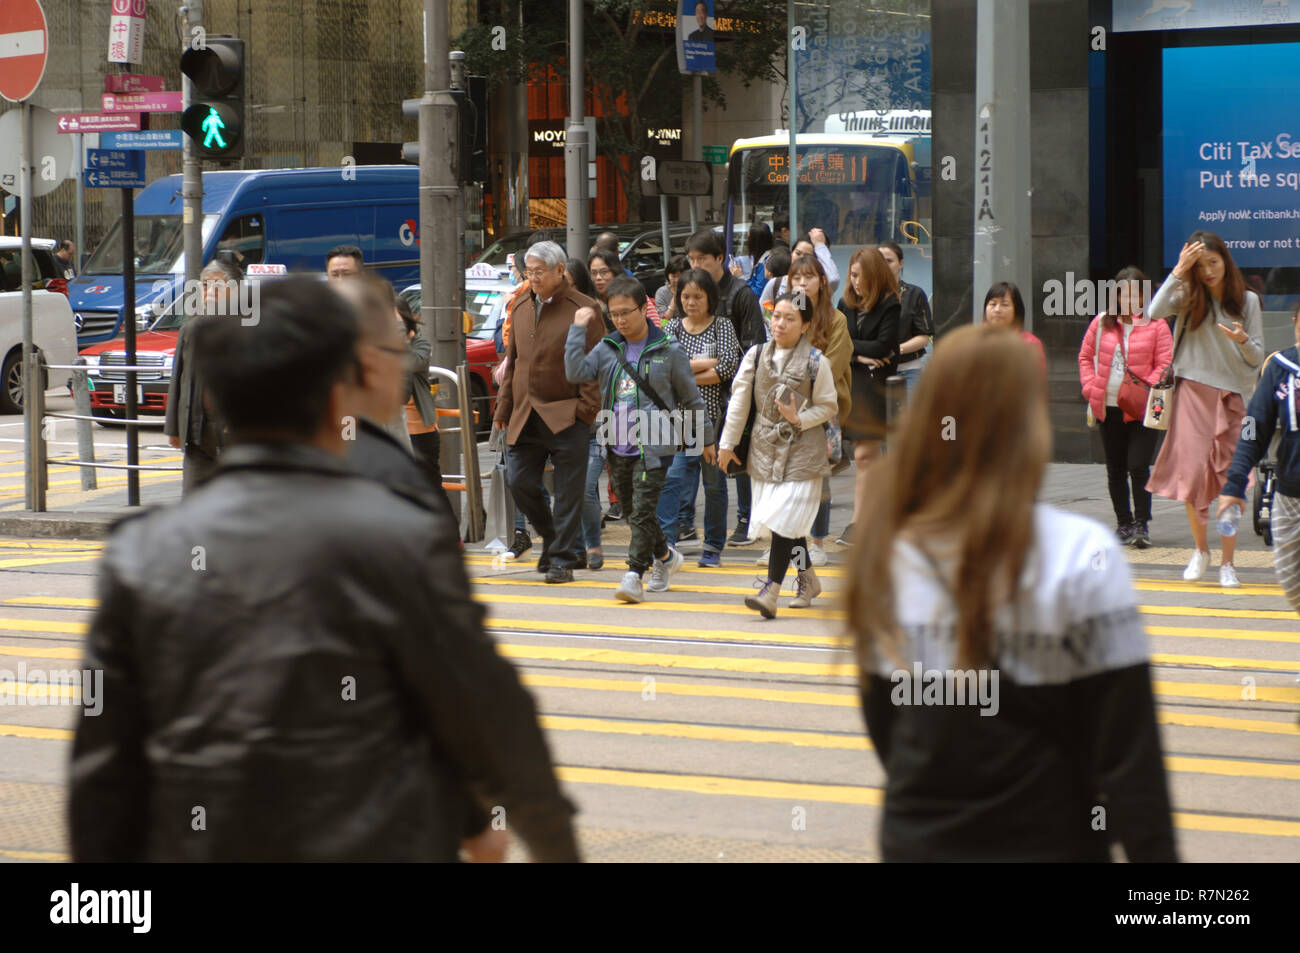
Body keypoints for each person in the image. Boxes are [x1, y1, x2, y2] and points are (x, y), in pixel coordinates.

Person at [70, 276, 580, 863]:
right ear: (341, 388)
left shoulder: (140, 556)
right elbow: (489, 722)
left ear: (214, 397)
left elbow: (102, 783)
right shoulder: (399, 536)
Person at [845, 324, 1177, 862]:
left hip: (917, 841)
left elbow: (888, 725)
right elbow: (1129, 764)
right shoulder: (1081, 555)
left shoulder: (886, 553)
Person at [565, 276, 713, 602]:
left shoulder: (668, 350)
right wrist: (576, 331)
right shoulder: (607, 348)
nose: (620, 320)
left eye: (626, 312)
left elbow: (691, 398)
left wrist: (706, 438)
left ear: (644, 309)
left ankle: (633, 574)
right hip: (615, 440)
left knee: (644, 511)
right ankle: (665, 557)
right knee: (633, 514)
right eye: (614, 314)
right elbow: (575, 373)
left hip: (656, 443)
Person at [1147, 232, 1264, 588]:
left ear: (1226, 261)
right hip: (1191, 394)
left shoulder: (1247, 301)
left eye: (1213, 262)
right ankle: (1201, 551)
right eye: (1200, 266)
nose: (1208, 271)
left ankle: (1228, 562)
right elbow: (1153, 312)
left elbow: (1258, 357)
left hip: (1234, 399)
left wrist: (1243, 340)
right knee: (1193, 476)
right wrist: (1179, 271)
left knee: (1233, 478)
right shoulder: (1186, 296)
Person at [719, 293, 837, 617]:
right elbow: (740, 404)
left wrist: (801, 418)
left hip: (804, 452)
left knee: (785, 522)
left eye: (790, 318)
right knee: (787, 526)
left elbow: (829, 405)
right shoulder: (755, 356)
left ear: (805, 326)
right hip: (764, 450)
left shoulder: (816, 361)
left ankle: (770, 589)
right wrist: (727, 445)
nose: (780, 324)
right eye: (777, 316)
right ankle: (808, 578)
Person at [494, 241, 604, 584]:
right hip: (525, 412)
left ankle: (560, 561)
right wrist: (503, 408)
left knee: (569, 492)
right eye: (529, 272)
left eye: (539, 272)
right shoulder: (522, 305)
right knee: (519, 480)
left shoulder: (584, 308)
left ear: (560, 271)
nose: (533, 278)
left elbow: (596, 364)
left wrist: (586, 410)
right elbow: (514, 363)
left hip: (567, 413)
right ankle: (556, 542)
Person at [1077, 267, 1172, 549]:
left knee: (1138, 465)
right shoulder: (1101, 323)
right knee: (1116, 469)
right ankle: (1124, 523)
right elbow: (1084, 357)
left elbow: (1165, 363)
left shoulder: (1157, 325)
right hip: (1108, 406)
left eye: (1135, 293)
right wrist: (1090, 387)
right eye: (1123, 293)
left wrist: (1144, 387)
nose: (1129, 299)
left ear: (1144, 296)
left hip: (1143, 408)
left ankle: (1142, 523)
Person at [685, 228, 767, 545]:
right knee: (700, 459)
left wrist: (723, 372)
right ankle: (687, 523)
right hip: (702, 392)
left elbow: (752, 349)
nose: (695, 264)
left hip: (738, 388)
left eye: (701, 258)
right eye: (691, 259)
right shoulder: (691, 293)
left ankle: (746, 519)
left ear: (720, 258)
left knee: (738, 453)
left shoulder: (740, 294)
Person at [1219, 302, 1300, 615]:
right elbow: (1253, 428)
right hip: (1290, 496)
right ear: (1295, 322)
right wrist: (1235, 484)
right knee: (1293, 588)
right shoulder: (1279, 366)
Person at [656, 268, 740, 568]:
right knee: (671, 480)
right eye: (685, 296)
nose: (690, 302)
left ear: (710, 298)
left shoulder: (722, 326)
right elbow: (665, 367)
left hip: (714, 420)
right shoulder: (673, 328)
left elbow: (730, 366)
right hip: (679, 422)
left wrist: (686, 371)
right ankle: (666, 546)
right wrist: (706, 366)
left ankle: (713, 547)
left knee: (714, 486)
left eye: (697, 296)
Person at [782, 254, 852, 567]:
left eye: (808, 277)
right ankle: (786, 545)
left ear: (822, 282)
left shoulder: (836, 320)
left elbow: (831, 367)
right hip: (787, 409)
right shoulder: (785, 316)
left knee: (817, 479)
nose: (802, 283)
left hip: (819, 410)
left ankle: (818, 540)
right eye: (796, 278)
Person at [837, 246, 900, 546]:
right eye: (852, 275)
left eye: (860, 276)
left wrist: (855, 350)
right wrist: (858, 357)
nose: (855, 282)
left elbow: (885, 346)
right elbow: (835, 343)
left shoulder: (890, 304)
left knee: (864, 456)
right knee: (870, 459)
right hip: (851, 383)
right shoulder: (844, 303)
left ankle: (858, 522)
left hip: (876, 389)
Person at [164, 258, 242, 492]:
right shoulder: (192, 328)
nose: (209, 291)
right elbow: (178, 378)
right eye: (205, 285)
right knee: (194, 501)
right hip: (198, 431)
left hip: (237, 433)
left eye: (217, 285)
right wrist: (174, 428)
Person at [877, 242, 933, 394]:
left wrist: (896, 350)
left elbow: (923, 337)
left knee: (908, 416)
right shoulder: (866, 295)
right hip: (875, 371)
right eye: (880, 261)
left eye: (889, 261)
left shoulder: (914, 294)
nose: (884, 266)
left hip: (908, 369)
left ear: (900, 263)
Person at [760, 228, 840, 303]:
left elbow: (833, 279)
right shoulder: (775, 284)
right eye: (798, 253)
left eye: (807, 256)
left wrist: (820, 245)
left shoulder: (818, 286)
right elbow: (762, 314)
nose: (801, 259)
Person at [982, 281, 1045, 375]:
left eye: (1004, 304)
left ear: (1016, 310)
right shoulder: (972, 341)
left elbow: (1035, 383)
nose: (997, 309)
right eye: (993, 304)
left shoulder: (1030, 344)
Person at [590, 248, 661, 327]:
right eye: (593, 273)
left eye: (604, 272)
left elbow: (656, 326)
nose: (598, 277)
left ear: (615, 272)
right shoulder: (588, 302)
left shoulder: (634, 293)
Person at [656, 255, 690, 322]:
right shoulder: (662, 292)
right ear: (668, 275)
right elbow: (663, 320)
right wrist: (675, 299)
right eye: (673, 276)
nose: (677, 280)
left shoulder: (694, 291)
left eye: (681, 276)